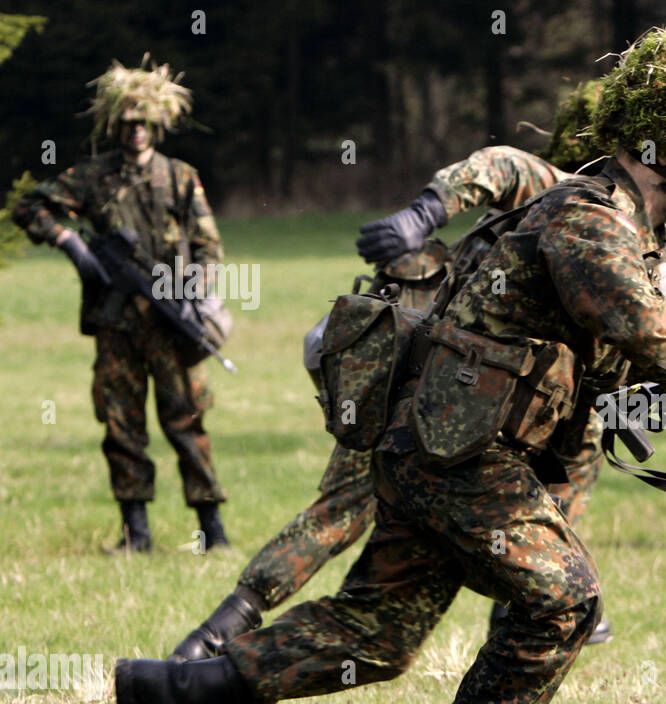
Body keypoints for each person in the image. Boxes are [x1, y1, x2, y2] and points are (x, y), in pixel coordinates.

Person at [114, 27, 666, 704]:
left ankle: (171, 694)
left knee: (378, 636)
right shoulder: (592, 218)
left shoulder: (624, 225)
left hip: (443, 447)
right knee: (566, 596)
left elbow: (612, 345)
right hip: (457, 454)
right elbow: (640, 323)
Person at [168, 88, 616, 664]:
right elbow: (498, 165)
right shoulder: (563, 193)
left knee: (356, 513)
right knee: (345, 509)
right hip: (434, 391)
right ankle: (212, 643)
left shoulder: (614, 230)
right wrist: (423, 213)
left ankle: (213, 642)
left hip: (491, 407)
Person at [11, 56, 230, 552]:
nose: (136, 133)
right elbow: (30, 206)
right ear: (116, 125)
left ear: (157, 124)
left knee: (188, 423)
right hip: (116, 325)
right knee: (121, 425)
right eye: (128, 123)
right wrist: (71, 243)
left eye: (144, 123)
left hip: (172, 324)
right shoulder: (93, 176)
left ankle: (213, 533)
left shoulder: (179, 176)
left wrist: (196, 289)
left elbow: (208, 243)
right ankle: (137, 536)